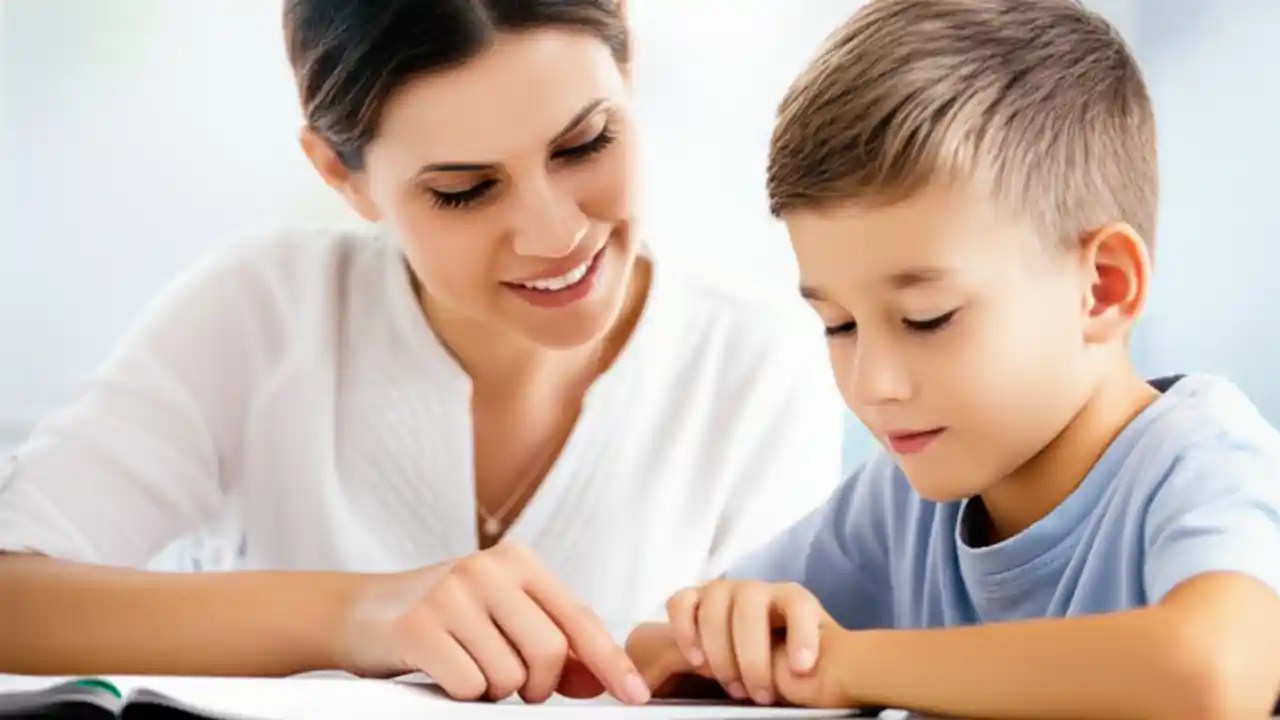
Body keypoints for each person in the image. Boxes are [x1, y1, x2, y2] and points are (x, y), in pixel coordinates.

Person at [0, 0, 845, 706]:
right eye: (464, 191)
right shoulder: (262, 314)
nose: (556, 234)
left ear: (627, 66)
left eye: (585, 144)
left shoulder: (759, 364)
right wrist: (356, 615)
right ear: (343, 176)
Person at [628, 0, 1280, 716]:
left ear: (1102, 287)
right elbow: (670, 652)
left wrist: (854, 664)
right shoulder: (900, 504)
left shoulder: (1201, 460)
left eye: (926, 319)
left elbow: (1215, 676)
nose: (873, 384)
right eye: (839, 325)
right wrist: (723, 637)